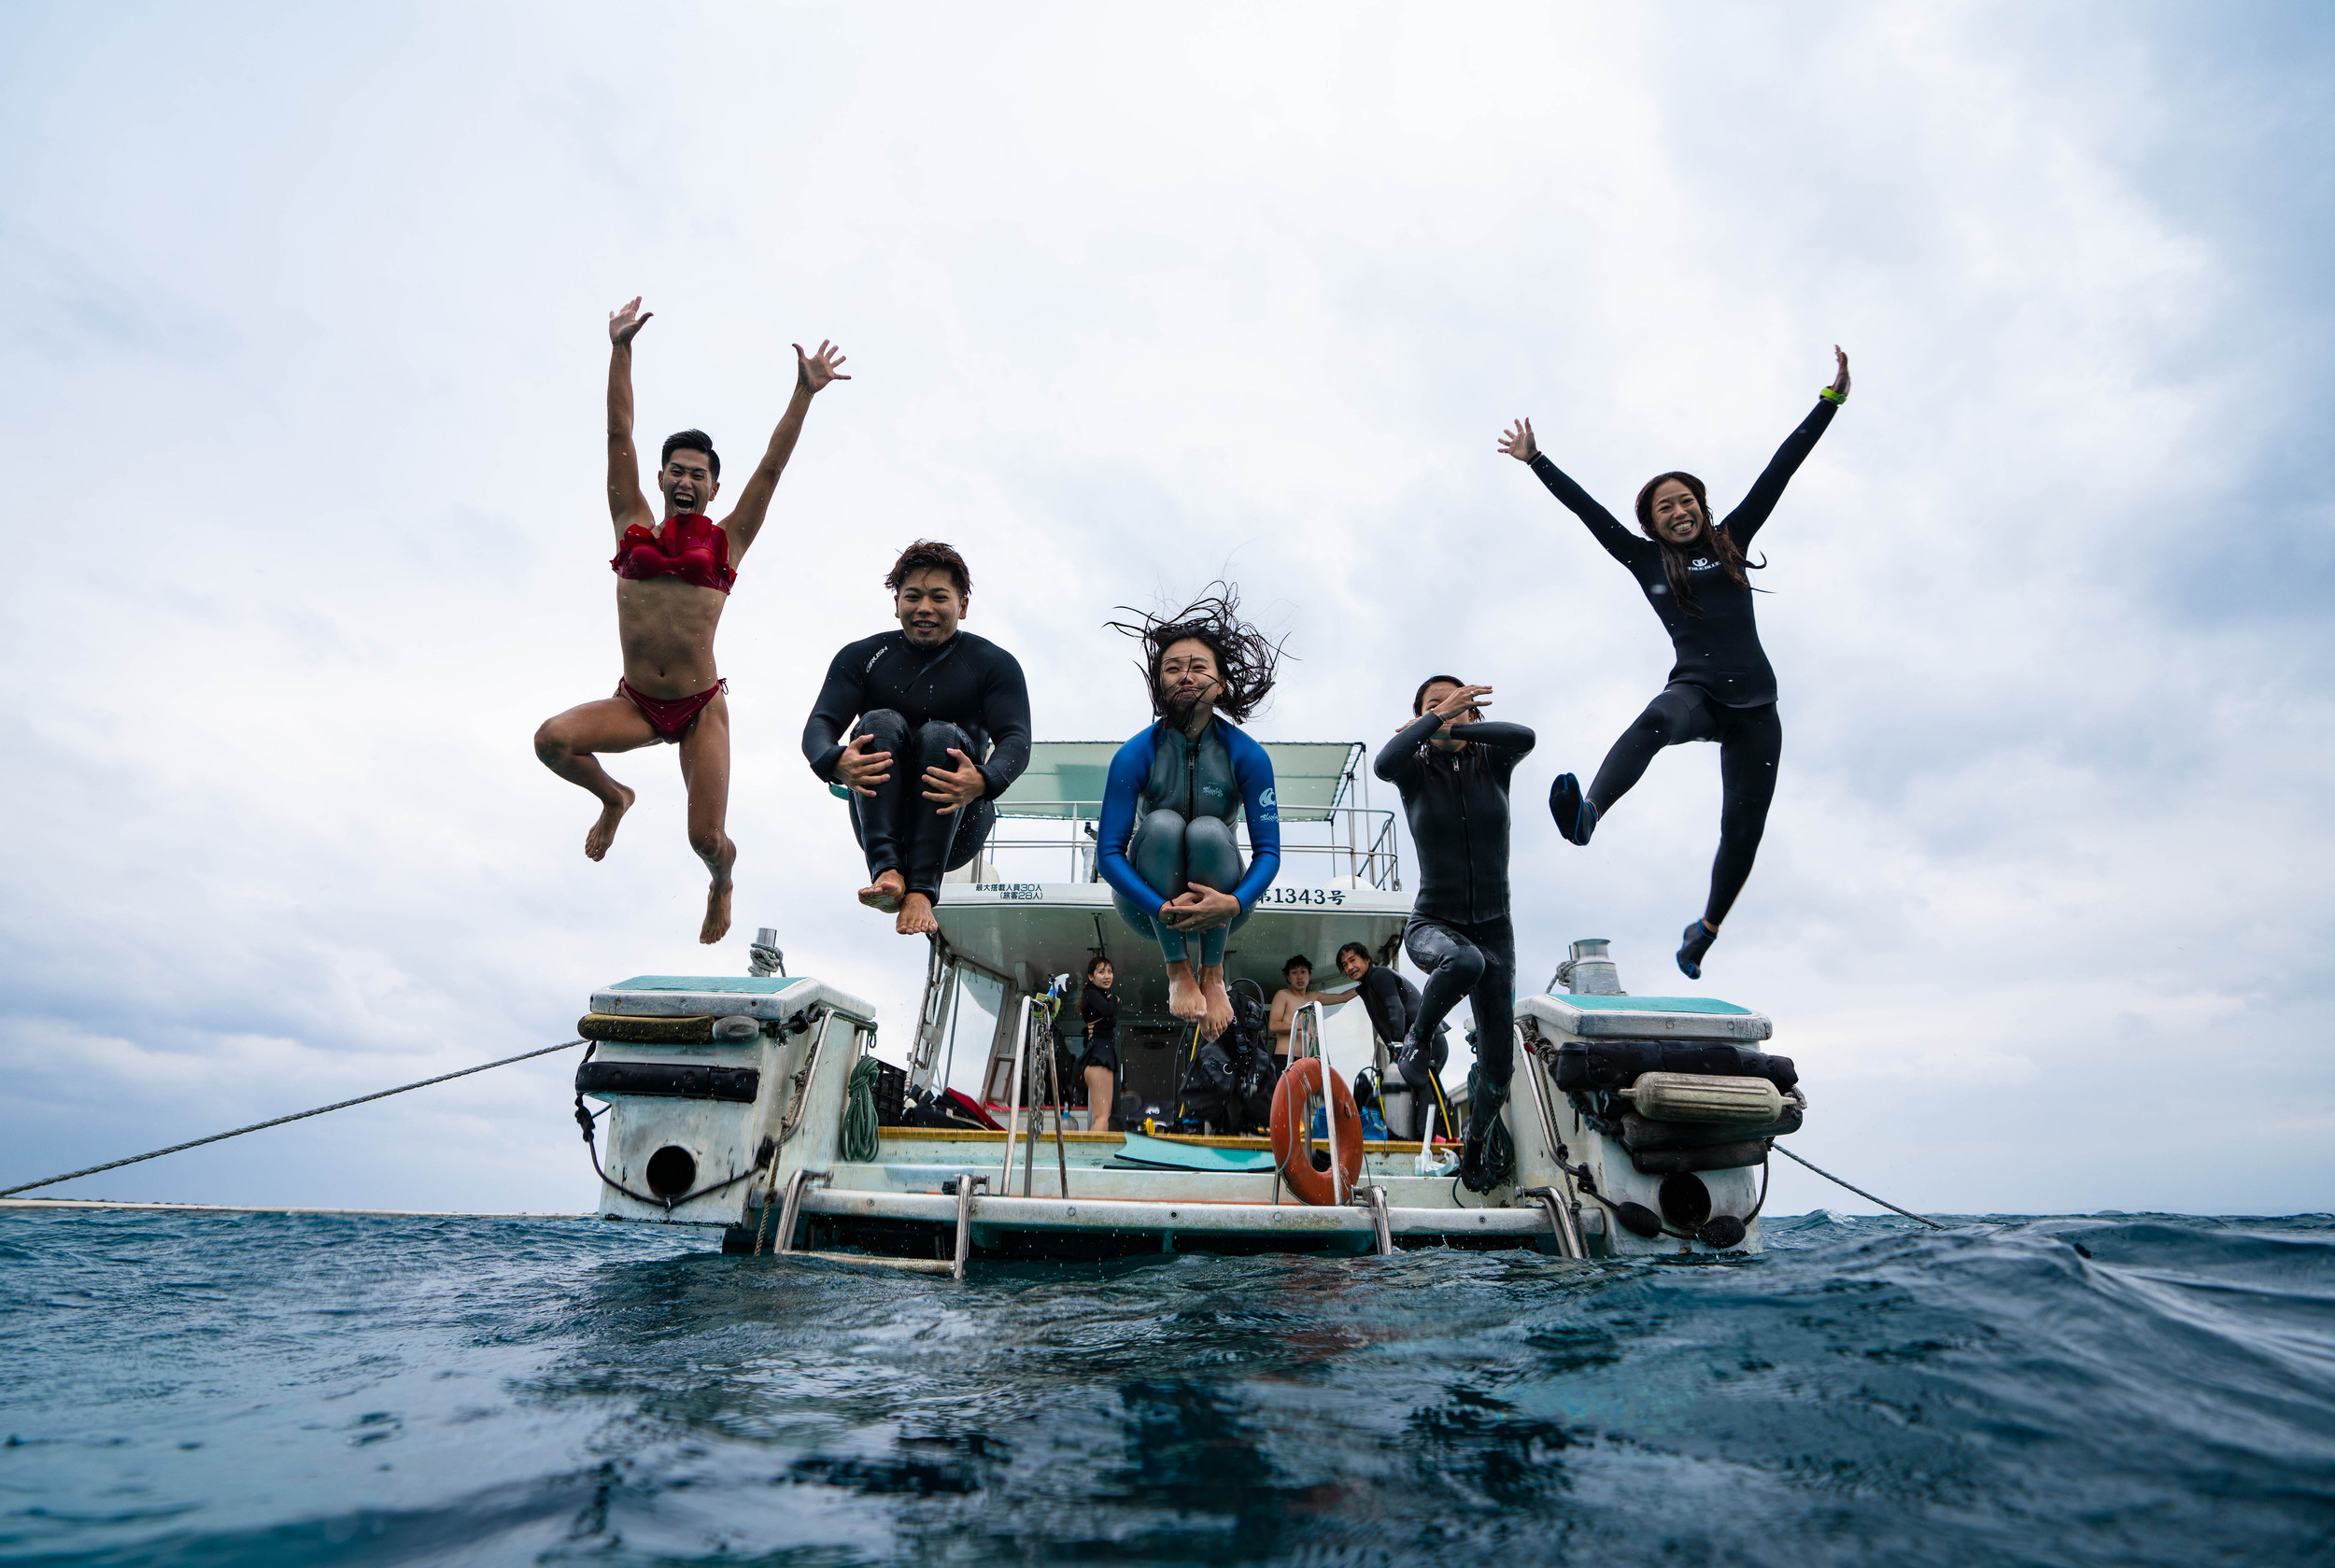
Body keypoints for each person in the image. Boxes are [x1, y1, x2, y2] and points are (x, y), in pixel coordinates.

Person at [1502, 347, 1850, 978]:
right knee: (1656, 720)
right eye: (1665, 506)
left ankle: (1705, 929)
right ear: (1653, 522)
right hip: (1696, 690)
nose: (1678, 510)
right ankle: (1588, 816)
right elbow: (1589, 512)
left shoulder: (1732, 541)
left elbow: (1782, 468)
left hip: (1757, 710)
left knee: (1742, 830)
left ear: (1701, 504)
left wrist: (1827, 403)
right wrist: (1537, 461)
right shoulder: (1642, 559)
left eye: (1685, 499)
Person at [535, 298, 846, 943]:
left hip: (700, 708)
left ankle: (722, 883)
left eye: (698, 475)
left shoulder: (729, 540)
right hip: (638, 703)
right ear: (661, 476)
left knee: (706, 837)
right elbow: (618, 435)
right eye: (676, 470)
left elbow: (771, 468)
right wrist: (620, 348)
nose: (685, 479)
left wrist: (804, 394)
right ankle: (614, 797)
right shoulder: (632, 524)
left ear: (713, 489)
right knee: (552, 740)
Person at [802, 541, 1032, 936]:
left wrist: (984, 780)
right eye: (913, 596)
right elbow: (820, 725)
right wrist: (835, 762)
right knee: (881, 721)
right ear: (896, 604)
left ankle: (923, 890)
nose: (924, 607)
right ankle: (887, 870)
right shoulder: (862, 657)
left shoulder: (993, 664)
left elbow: (1016, 739)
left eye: (939, 597)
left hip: (961, 823)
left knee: (939, 734)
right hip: (882, 820)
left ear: (962, 606)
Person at [1097, 587, 1285, 1040]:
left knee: (1207, 830)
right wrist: (1160, 908)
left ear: (1220, 682)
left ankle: (1213, 972)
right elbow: (1108, 854)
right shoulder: (1135, 754)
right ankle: (1178, 968)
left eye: (1199, 667)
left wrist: (1235, 901)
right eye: (1173, 667)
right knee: (1162, 823)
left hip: (1223, 906)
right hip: (1147, 908)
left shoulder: (1248, 755)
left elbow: (1269, 854)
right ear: (1159, 683)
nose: (1186, 675)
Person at [1375, 676, 1535, 1191]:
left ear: (1473, 714)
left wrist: (1457, 720)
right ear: (1421, 720)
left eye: (1457, 703)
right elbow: (1382, 762)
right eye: (1431, 705)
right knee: (1465, 963)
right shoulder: (1413, 772)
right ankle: (1417, 1042)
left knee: (1498, 1069)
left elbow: (1526, 735)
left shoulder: (1496, 762)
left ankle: (1474, 1148)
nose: (1446, 711)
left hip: (1495, 930)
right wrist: (1433, 724)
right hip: (1433, 925)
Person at [1337, 941, 1452, 1141]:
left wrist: (1397, 1044)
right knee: (1408, 1092)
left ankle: (1426, 1138)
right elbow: (1343, 997)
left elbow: (1395, 1008)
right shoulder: (1366, 986)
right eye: (1345, 965)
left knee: (1424, 1091)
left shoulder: (1380, 976)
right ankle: (1414, 1137)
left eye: (1352, 960)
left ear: (1366, 959)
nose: (1349, 967)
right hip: (1413, 1045)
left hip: (1429, 1043)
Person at [1267, 955, 1344, 1059]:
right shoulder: (1283, 995)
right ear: (1288, 978)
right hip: (1284, 1058)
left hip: (1305, 1060)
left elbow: (1343, 997)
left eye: (1303, 972)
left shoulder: (1313, 997)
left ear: (1309, 975)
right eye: (1294, 972)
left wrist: (1365, 983)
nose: (1299, 977)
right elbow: (1273, 1026)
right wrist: (1304, 1028)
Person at [1078, 955, 1119, 1132]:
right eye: (1101, 972)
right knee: (1103, 1118)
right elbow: (1109, 1009)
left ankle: (1090, 1157)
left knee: (1099, 1118)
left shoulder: (1095, 995)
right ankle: (1095, 1158)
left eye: (1109, 972)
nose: (1107, 976)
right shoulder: (1091, 994)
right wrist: (1114, 999)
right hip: (1100, 1055)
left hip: (1098, 1055)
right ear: (1090, 976)